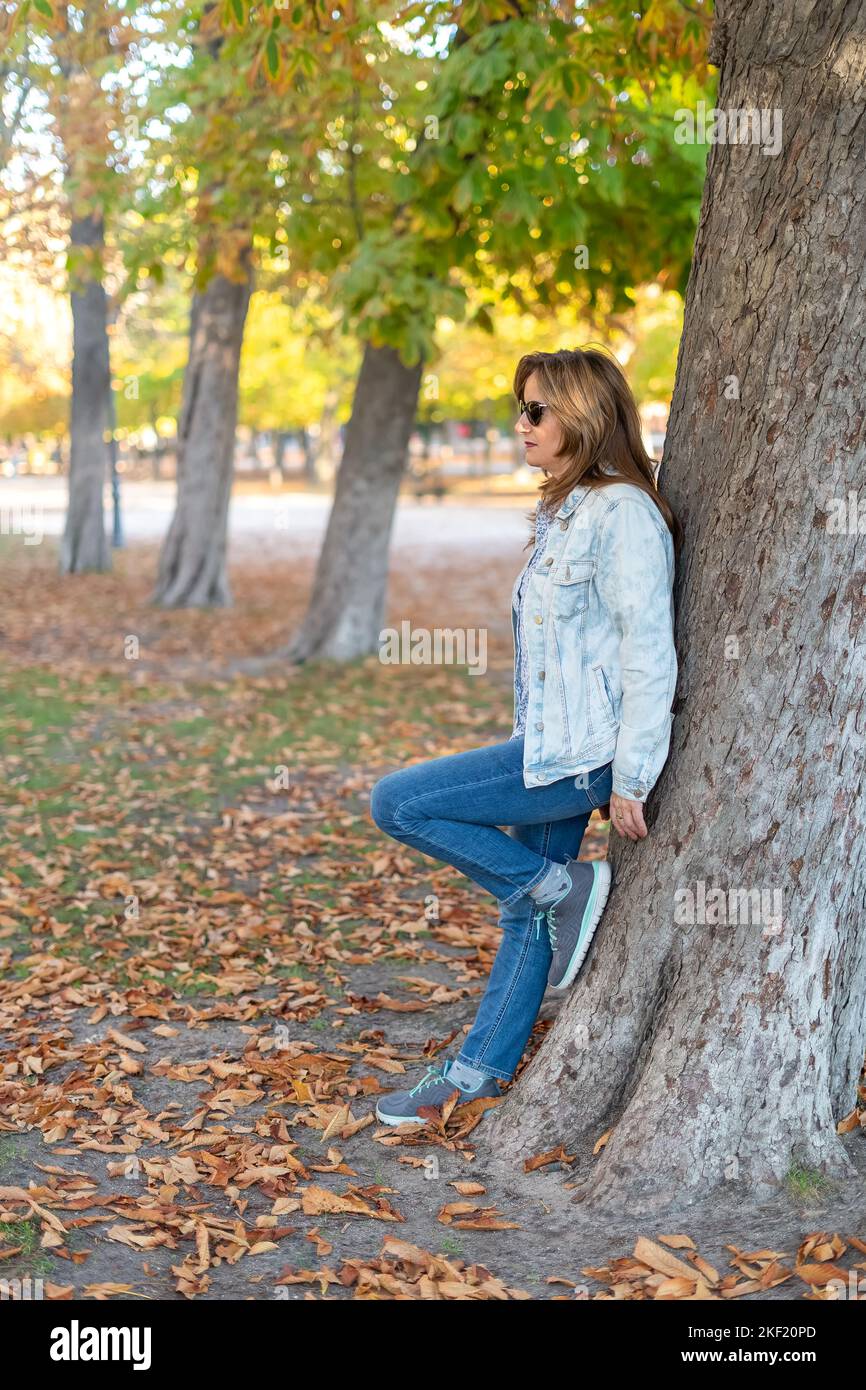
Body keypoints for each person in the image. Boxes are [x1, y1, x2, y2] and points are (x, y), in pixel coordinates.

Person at [369, 346, 681, 1126]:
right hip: (549, 746)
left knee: (399, 803)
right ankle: (478, 1072)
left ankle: (562, 886)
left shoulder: (625, 515)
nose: (522, 423)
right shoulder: (565, 511)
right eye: (522, 408)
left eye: (537, 410)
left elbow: (650, 651)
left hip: (581, 760)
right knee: (526, 914)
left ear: (583, 414)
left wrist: (632, 777)